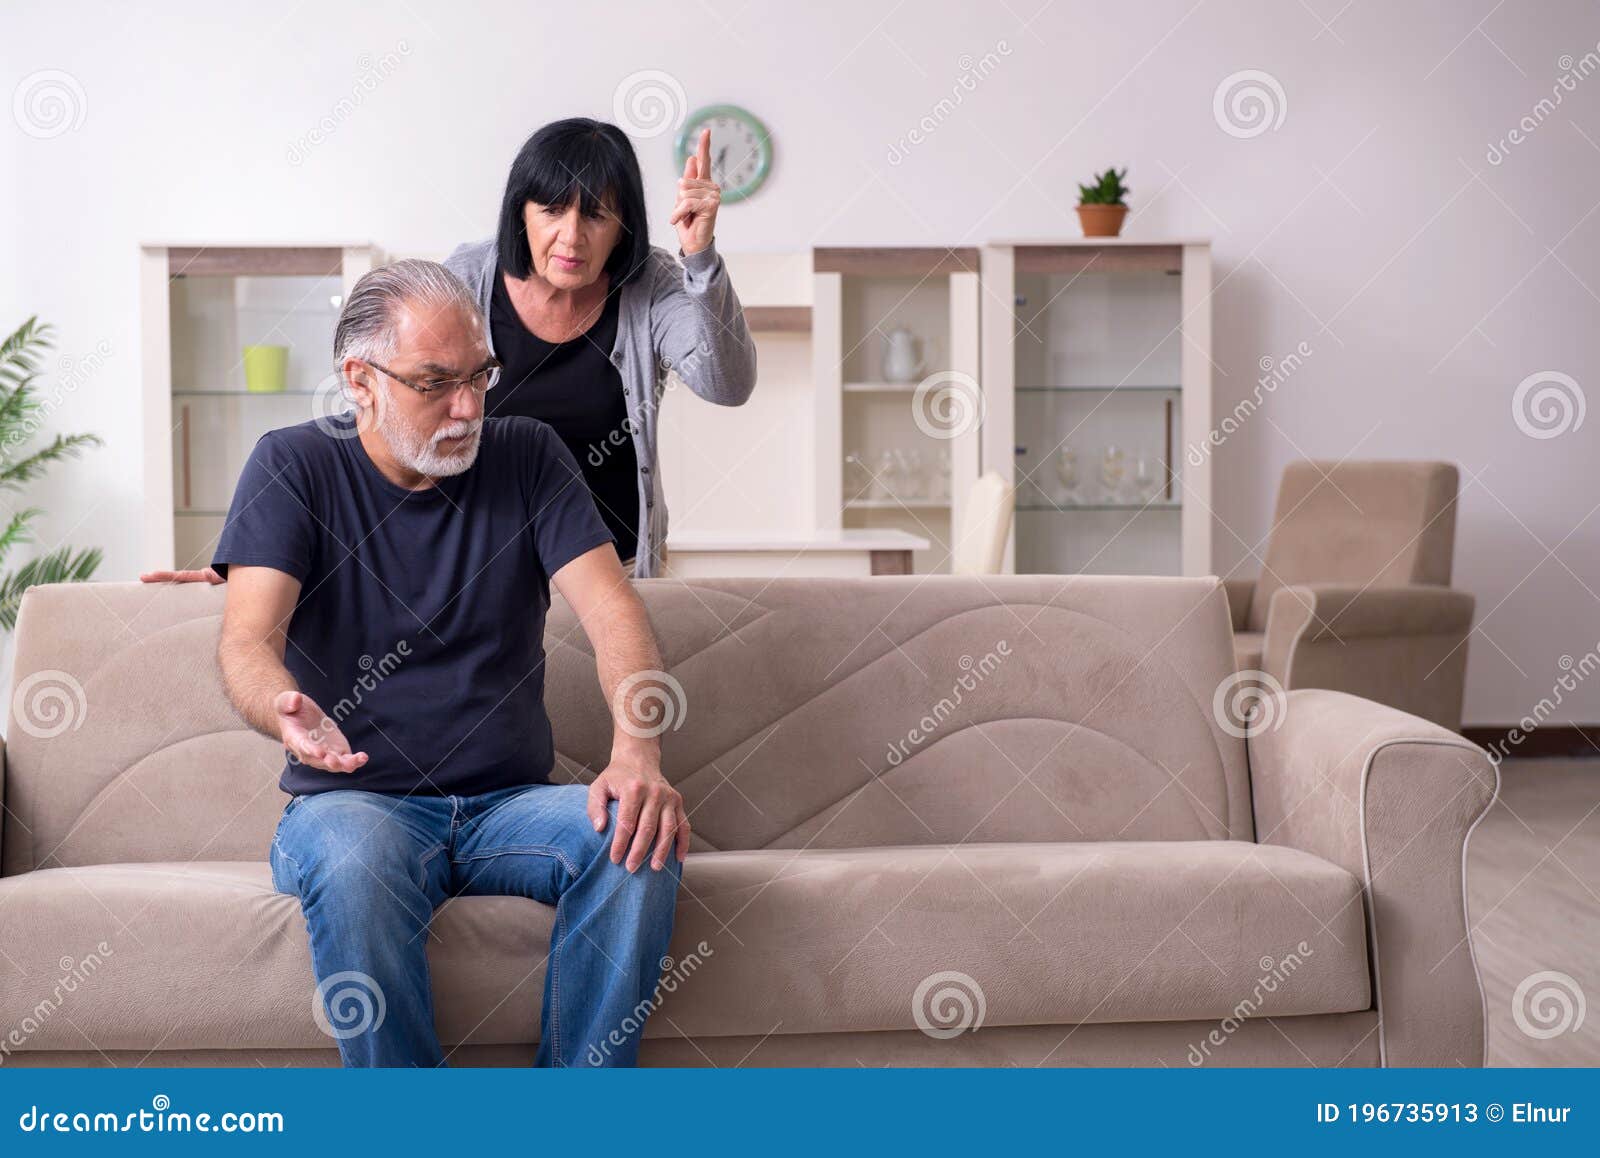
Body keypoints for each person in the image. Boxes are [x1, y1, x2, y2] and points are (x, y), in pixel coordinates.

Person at [213, 257, 687, 1067]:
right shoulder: (292, 466)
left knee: (638, 841)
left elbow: (613, 611)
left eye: (481, 375)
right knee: (355, 861)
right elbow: (248, 643)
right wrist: (282, 705)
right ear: (359, 379)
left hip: (511, 807)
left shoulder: (530, 456)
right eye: (436, 383)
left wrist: (636, 754)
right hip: (352, 804)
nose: (468, 407)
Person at [143, 116, 755, 586]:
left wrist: (699, 258)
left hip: (611, 563)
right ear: (521, 211)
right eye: (551, 211)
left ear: (624, 225)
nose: (572, 237)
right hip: (484, 565)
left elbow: (727, 383)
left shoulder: (650, 283)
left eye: (596, 216)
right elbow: (392, 400)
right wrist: (256, 566)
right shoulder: (469, 275)